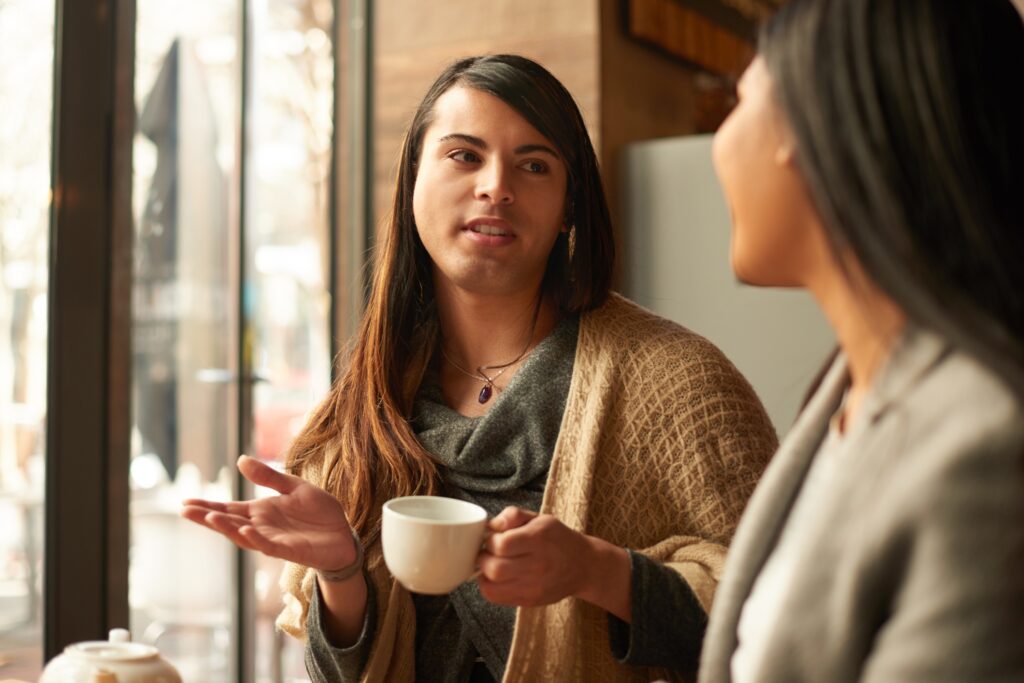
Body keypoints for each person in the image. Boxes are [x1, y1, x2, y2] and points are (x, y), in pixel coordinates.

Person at [183, 54, 777, 682]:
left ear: (570, 204)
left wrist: (596, 571)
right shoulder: (370, 397)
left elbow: (780, 616)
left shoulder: (681, 384)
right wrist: (341, 571)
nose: (496, 186)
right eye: (464, 156)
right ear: (413, 178)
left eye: (534, 165)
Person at [698, 1, 1024, 682]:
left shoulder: (986, 445)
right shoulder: (849, 389)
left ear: (813, 125)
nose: (718, 144)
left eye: (741, 99)